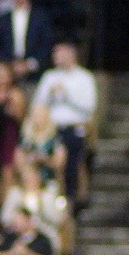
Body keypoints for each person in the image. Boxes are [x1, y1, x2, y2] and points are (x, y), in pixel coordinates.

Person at [34, 42, 96, 201]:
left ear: (71, 54)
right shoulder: (50, 77)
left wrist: (67, 95)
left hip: (75, 128)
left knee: (72, 162)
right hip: (52, 128)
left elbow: (89, 107)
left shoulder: (84, 77)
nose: (56, 57)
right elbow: (39, 103)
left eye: (60, 53)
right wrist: (50, 94)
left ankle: (73, 197)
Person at [0, 0, 51, 82]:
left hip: (35, 74)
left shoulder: (40, 17)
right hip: (8, 73)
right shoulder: (2, 19)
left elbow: (46, 43)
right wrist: (10, 64)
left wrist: (30, 64)